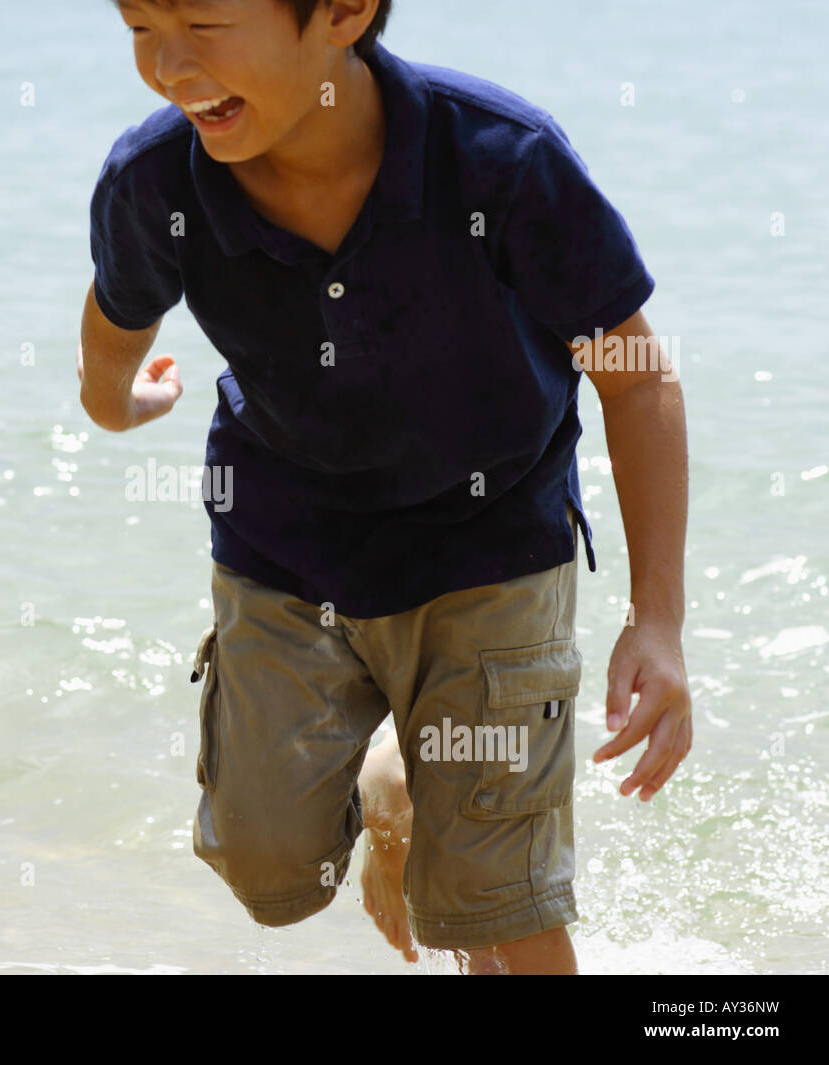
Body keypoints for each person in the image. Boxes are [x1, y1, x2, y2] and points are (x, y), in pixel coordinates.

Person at [77, 0, 691, 974]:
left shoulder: (501, 161)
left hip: (491, 540)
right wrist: (116, 406)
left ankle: (426, 771)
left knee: (500, 901)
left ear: (343, 12)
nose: (170, 66)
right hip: (286, 546)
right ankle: (395, 770)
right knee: (268, 870)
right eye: (141, 29)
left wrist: (655, 620)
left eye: (203, 23)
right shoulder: (155, 182)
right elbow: (116, 326)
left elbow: (634, 374)